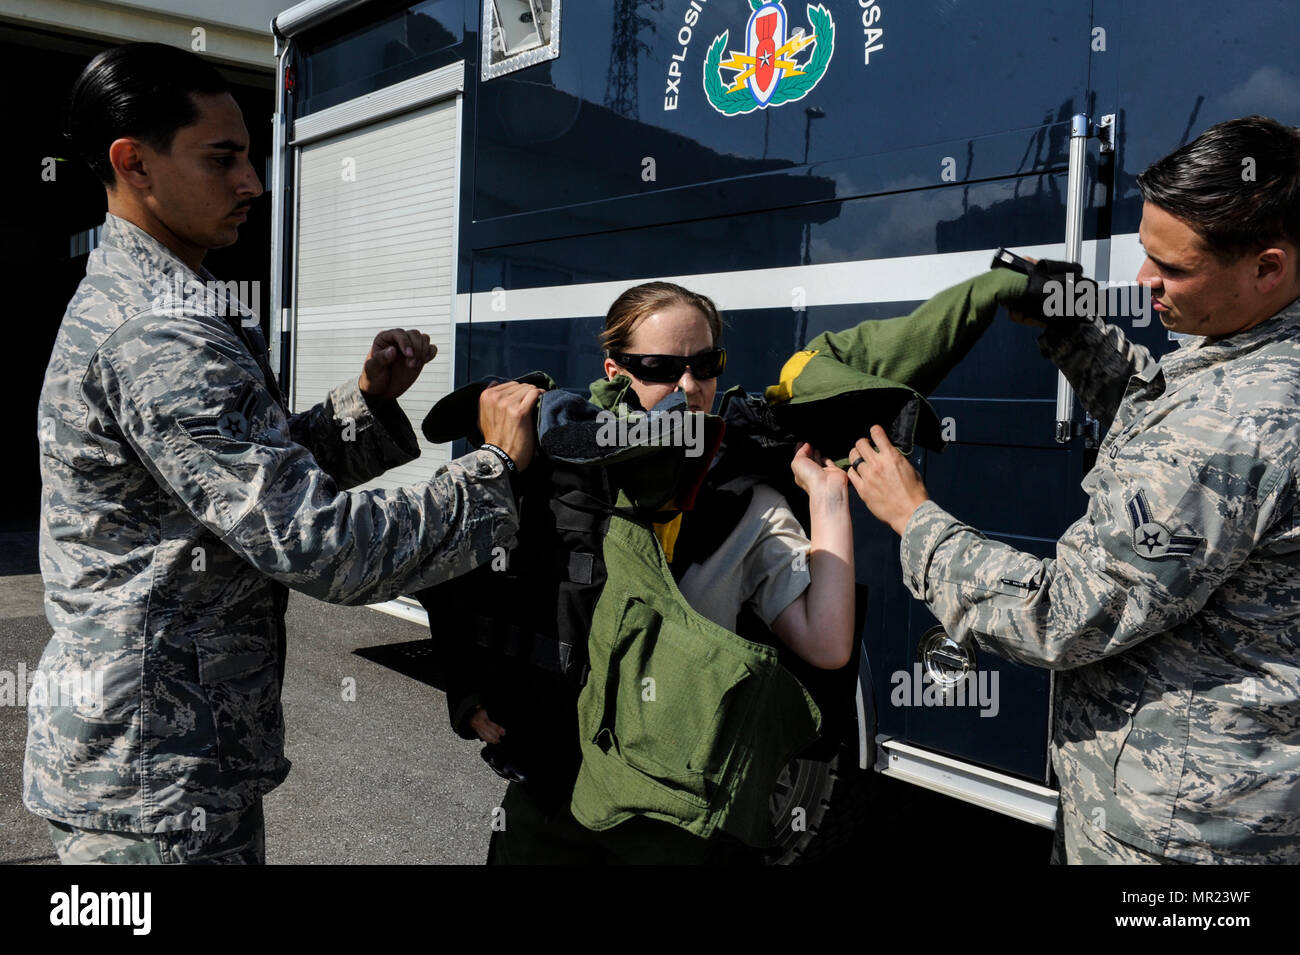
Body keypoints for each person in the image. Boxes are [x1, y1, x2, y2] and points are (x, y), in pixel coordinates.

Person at [26, 43, 541, 864]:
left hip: (161, 762)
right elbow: (321, 543)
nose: (252, 184)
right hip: (157, 782)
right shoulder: (161, 332)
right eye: (221, 158)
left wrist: (366, 405)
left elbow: (237, 480)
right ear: (135, 164)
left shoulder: (162, 298)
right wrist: (494, 473)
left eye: (251, 156)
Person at [847, 115, 1300, 864]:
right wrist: (1075, 329)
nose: (1145, 282)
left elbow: (1062, 616)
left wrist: (916, 520)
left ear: (1267, 268)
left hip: (1175, 836)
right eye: (1146, 254)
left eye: (1172, 269)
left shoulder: (1244, 416)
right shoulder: (1248, 358)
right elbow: (1161, 423)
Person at [450, 281, 856, 864]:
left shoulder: (746, 499)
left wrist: (828, 498)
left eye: (705, 364)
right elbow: (464, 577)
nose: (689, 387)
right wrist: (468, 693)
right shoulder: (561, 463)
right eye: (661, 368)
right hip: (549, 790)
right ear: (616, 370)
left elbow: (826, 642)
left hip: (667, 814)